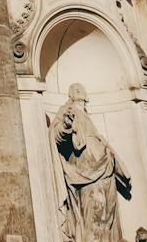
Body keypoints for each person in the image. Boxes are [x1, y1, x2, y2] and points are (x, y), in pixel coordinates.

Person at [49, 83, 131, 242]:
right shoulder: (67, 111)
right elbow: (55, 134)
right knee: (94, 218)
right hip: (85, 175)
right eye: (76, 90)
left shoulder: (86, 116)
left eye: (82, 90)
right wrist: (66, 125)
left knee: (109, 217)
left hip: (105, 169)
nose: (80, 92)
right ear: (71, 95)